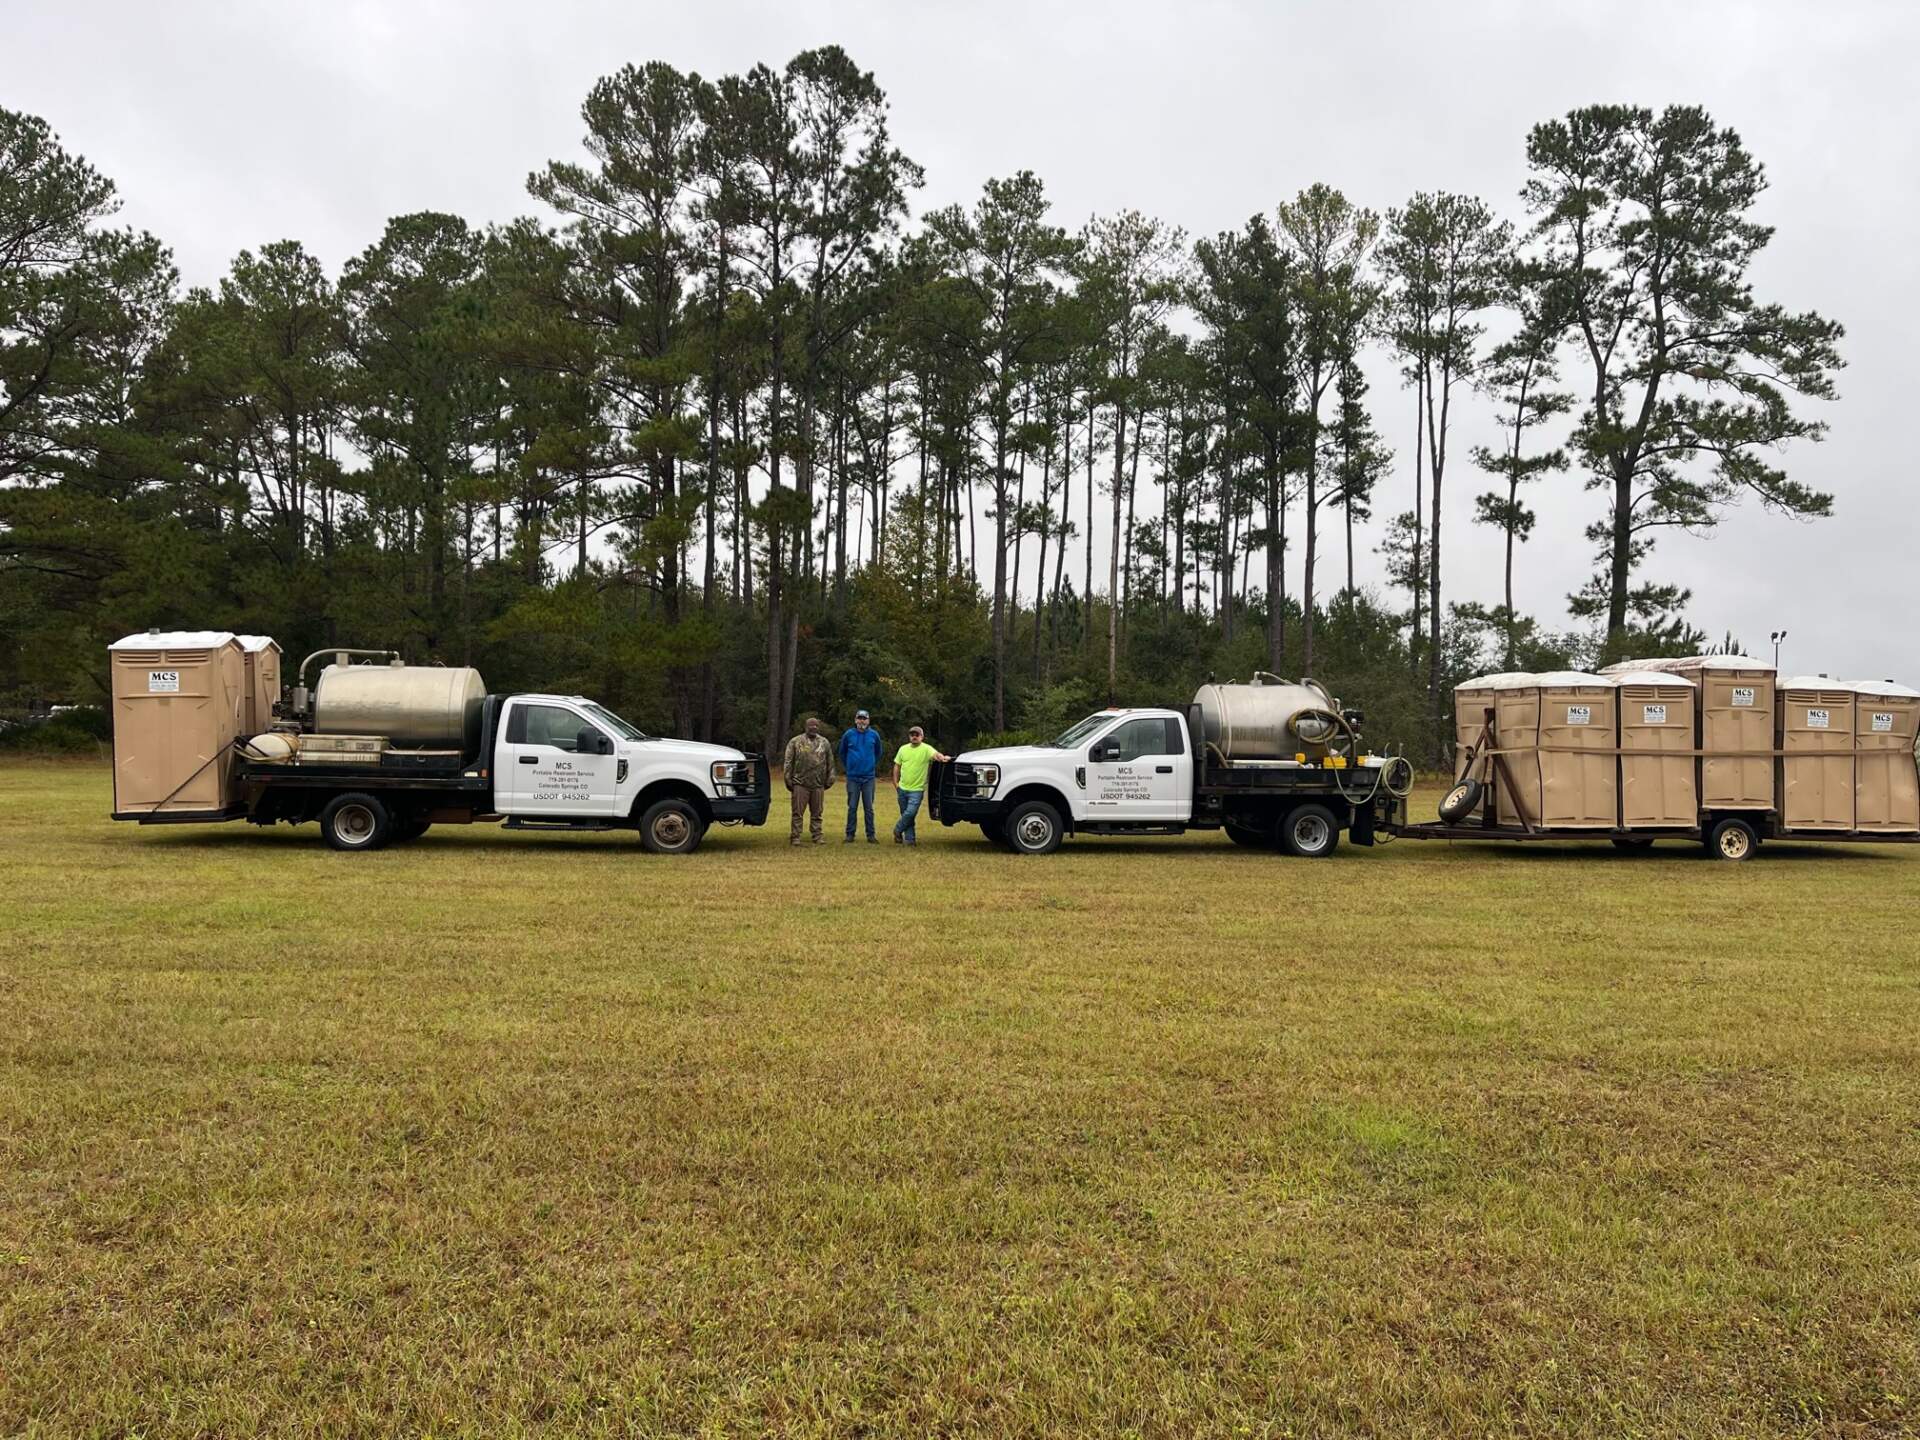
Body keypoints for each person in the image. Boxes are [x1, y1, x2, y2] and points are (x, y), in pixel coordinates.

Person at [890, 724, 950, 846]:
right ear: (909, 736)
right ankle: (910, 840)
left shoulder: (926, 749)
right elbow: (897, 766)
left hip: (916, 790)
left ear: (922, 737)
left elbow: (936, 755)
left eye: (917, 735)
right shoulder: (903, 749)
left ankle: (897, 830)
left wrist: (943, 757)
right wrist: (896, 783)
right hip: (902, 788)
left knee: (910, 813)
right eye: (912, 734)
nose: (914, 737)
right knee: (906, 815)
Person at [782, 716, 835, 845]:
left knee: (817, 813)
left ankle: (817, 836)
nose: (813, 728)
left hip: (818, 784)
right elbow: (788, 762)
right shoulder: (795, 742)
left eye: (816, 725)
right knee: (797, 813)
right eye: (811, 725)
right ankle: (795, 836)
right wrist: (788, 779)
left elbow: (830, 762)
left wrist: (830, 778)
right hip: (800, 783)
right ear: (805, 727)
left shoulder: (824, 742)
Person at [838, 708, 883, 844]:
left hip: (868, 778)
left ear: (868, 721)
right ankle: (850, 834)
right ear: (855, 720)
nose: (862, 721)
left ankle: (871, 835)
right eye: (859, 718)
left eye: (864, 719)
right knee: (852, 807)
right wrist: (850, 767)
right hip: (853, 778)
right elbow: (842, 752)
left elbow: (878, 752)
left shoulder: (874, 735)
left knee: (869, 808)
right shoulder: (848, 734)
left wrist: (870, 764)